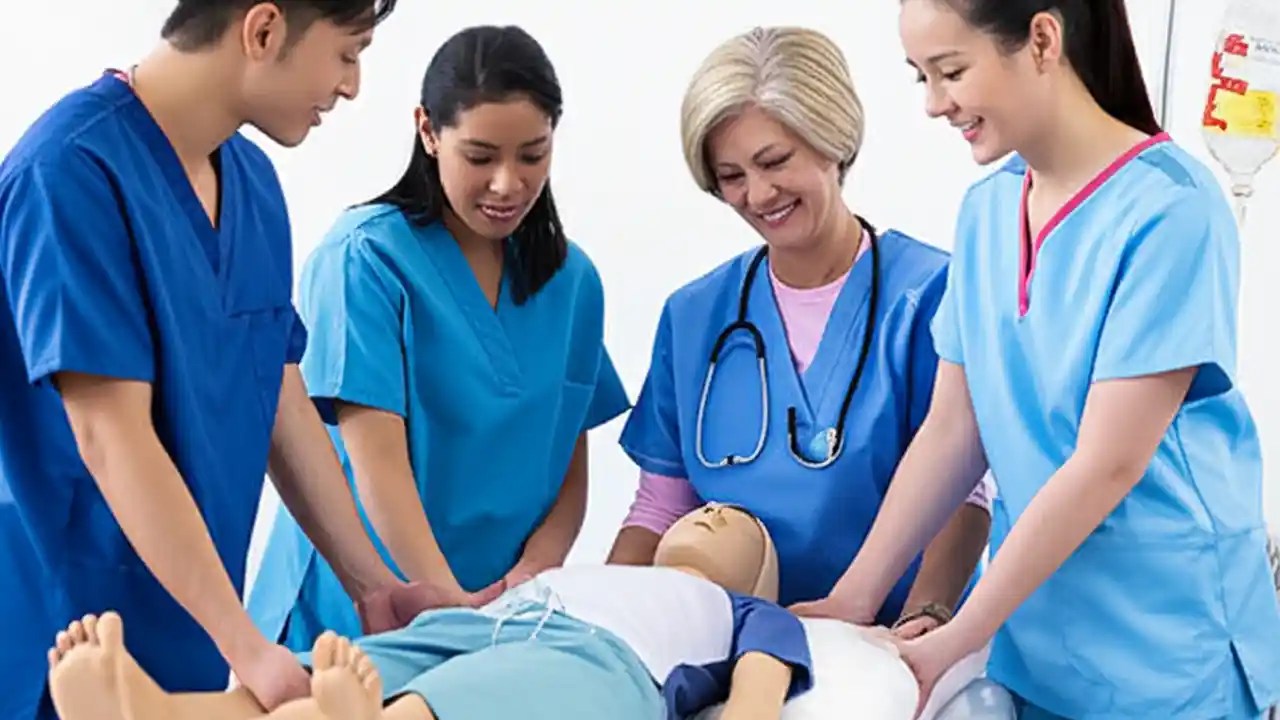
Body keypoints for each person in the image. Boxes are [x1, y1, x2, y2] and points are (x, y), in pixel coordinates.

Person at [794, 1, 1280, 718]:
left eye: (951, 71)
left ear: (1043, 38)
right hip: (1042, 646)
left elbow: (1106, 464)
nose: (933, 104)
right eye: (920, 77)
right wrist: (853, 596)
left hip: (1169, 650)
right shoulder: (986, 211)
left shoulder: (1172, 210)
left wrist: (959, 635)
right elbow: (954, 429)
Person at [0, 2, 455, 718]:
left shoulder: (253, 186)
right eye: (347, 52)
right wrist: (246, 646)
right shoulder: (68, 174)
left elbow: (278, 397)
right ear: (264, 29)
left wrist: (372, 584)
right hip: (60, 639)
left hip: (187, 639)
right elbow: (109, 436)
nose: (353, 86)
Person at [247, 24, 630, 652]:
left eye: (532, 155)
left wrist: (531, 577)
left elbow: (567, 468)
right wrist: (448, 605)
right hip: (360, 608)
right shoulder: (365, 258)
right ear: (428, 131)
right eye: (480, 157)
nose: (508, 183)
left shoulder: (572, 281)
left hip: (502, 614)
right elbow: (378, 468)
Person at [606, 25, 992, 634]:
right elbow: (660, 507)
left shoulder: (932, 296)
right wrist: (604, 620)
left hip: (891, 640)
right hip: (730, 637)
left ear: (833, 141)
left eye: (774, 161)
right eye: (730, 176)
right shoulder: (694, 317)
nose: (758, 194)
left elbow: (964, 493)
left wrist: (924, 616)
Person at [49, 504, 815, 720]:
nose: (712, 511)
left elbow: (755, 698)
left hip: (599, 665)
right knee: (323, 675)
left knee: (451, 700)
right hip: (491, 622)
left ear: (759, 573)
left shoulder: (745, 611)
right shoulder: (593, 571)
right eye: (706, 507)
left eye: (737, 524)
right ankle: (159, 712)